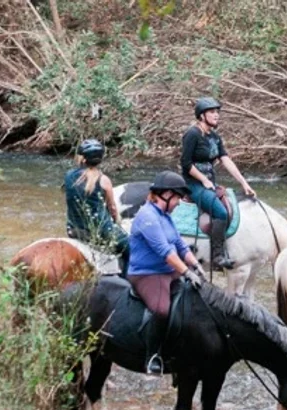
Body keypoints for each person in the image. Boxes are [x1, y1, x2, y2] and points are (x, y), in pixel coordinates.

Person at [128, 171, 207, 374]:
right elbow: (165, 251)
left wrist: (196, 266)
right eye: (178, 198)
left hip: (169, 271)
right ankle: (152, 356)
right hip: (147, 274)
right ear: (166, 194)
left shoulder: (165, 216)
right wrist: (186, 272)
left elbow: (180, 244)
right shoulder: (147, 216)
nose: (179, 203)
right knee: (162, 310)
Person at [180, 96, 256, 270]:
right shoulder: (192, 134)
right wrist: (204, 179)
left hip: (209, 183)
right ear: (201, 116)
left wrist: (244, 183)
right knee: (220, 212)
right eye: (212, 112)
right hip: (193, 184)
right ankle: (217, 257)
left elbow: (225, 160)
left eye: (217, 112)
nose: (216, 115)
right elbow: (186, 164)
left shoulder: (214, 137)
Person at [65, 139, 130, 275]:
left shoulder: (69, 176)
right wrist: (117, 222)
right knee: (131, 247)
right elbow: (112, 208)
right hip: (99, 231)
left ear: (82, 158)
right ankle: (127, 281)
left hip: (74, 229)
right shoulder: (104, 180)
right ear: (100, 159)